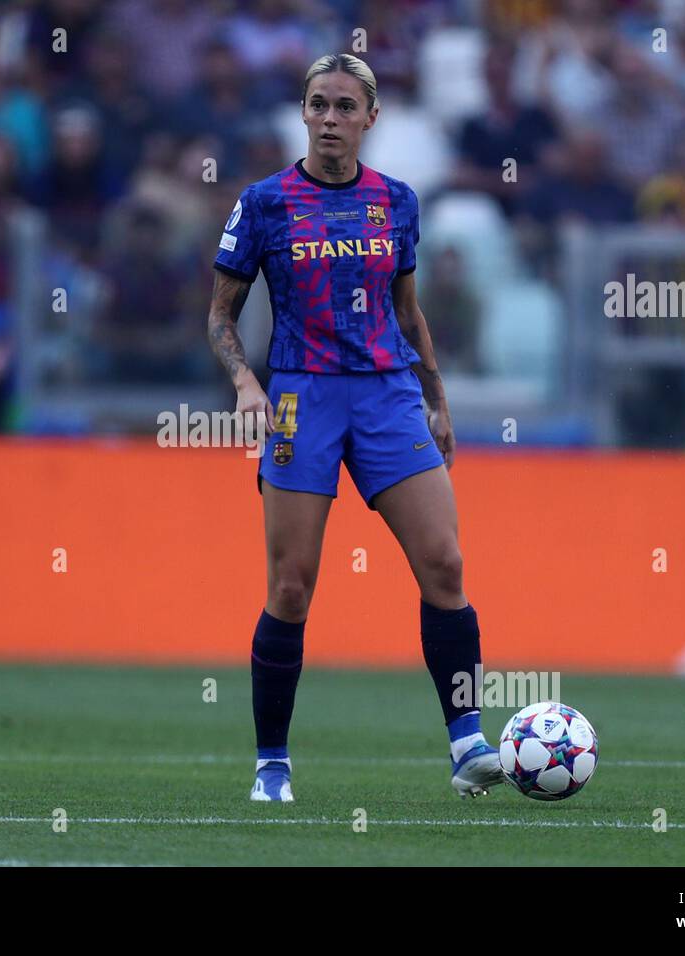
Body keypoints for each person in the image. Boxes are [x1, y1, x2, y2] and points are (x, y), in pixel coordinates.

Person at [206, 53, 504, 802]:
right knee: (292, 587)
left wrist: (436, 397)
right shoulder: (266, 203)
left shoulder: (397, 202)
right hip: (301, 398)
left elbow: (408, 312)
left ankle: (466, 742)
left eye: (345, 107)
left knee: (444, 563)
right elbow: (219, 314)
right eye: (318, 106)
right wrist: (246, 381)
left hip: (387, 393)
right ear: (303, 114)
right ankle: (272, 762)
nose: (330, 120)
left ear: (372, 119)